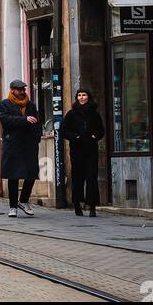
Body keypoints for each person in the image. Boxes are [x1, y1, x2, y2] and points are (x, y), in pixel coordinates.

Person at [0, 78, 41, 217]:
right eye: (19, 90)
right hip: (13, 144)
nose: (22, 92)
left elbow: (37, 122)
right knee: (13, 175)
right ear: (12, 91)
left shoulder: (31, 105)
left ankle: (23, 200)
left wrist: (37, 137)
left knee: (32, 173)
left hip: (29, 144)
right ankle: (13, 206)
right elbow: (6, 121)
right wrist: (24, 119)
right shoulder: (4, 104)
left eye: (23, 89)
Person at [63, 87, 105, 217]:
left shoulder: (94, 113)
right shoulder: (71, 113)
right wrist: (75, 137)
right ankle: (77, 204)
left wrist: (95, 136)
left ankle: (92, 206)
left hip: (91, 149)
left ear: (88, 97)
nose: (81, 97)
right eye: (79, 95)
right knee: (78, 177)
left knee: (91, 177)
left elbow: (101, 130)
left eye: (84, 95)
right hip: (77, 149)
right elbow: (65, 130)